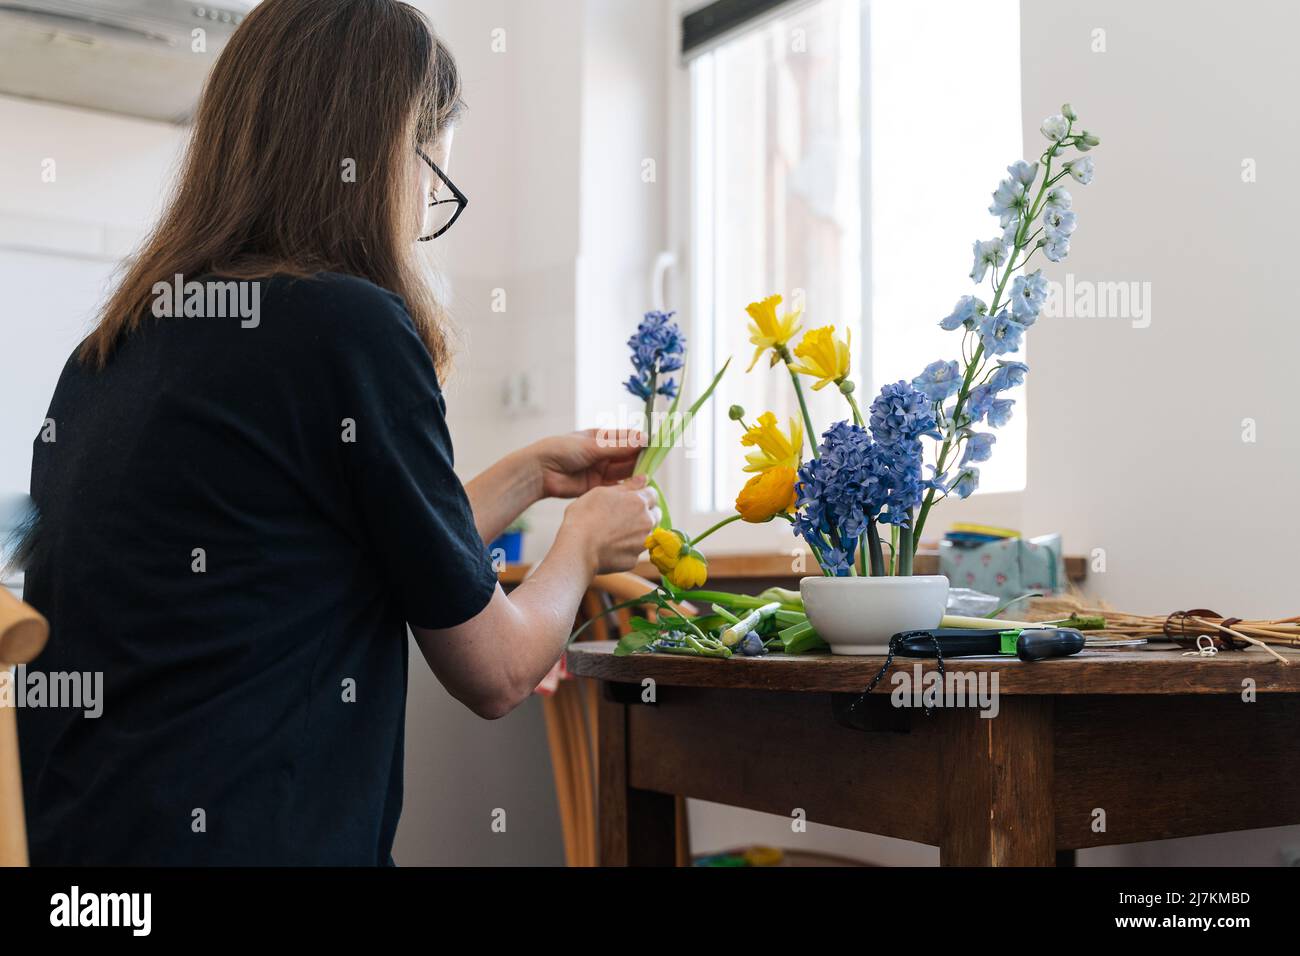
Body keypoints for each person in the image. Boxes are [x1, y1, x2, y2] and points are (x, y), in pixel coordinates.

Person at [18, 0, 657, 866]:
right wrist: (582, 544)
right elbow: (498, 671)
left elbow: (320, 565)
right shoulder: (348, 327)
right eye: (433, 173)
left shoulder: (109, 351)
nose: (427, 203)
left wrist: (529, 476)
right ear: (384, 150)